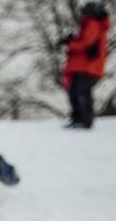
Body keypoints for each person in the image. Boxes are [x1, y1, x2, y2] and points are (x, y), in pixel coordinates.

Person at [62, 2, 110, 130]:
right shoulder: (89, 23)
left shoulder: (93, 23)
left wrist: (71, 43)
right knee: (75, 91)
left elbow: (87, 42)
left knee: (81, 92)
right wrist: (71, 41)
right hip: (82, 65)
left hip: (87, 65)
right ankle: (78, 118)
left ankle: (84, 119)